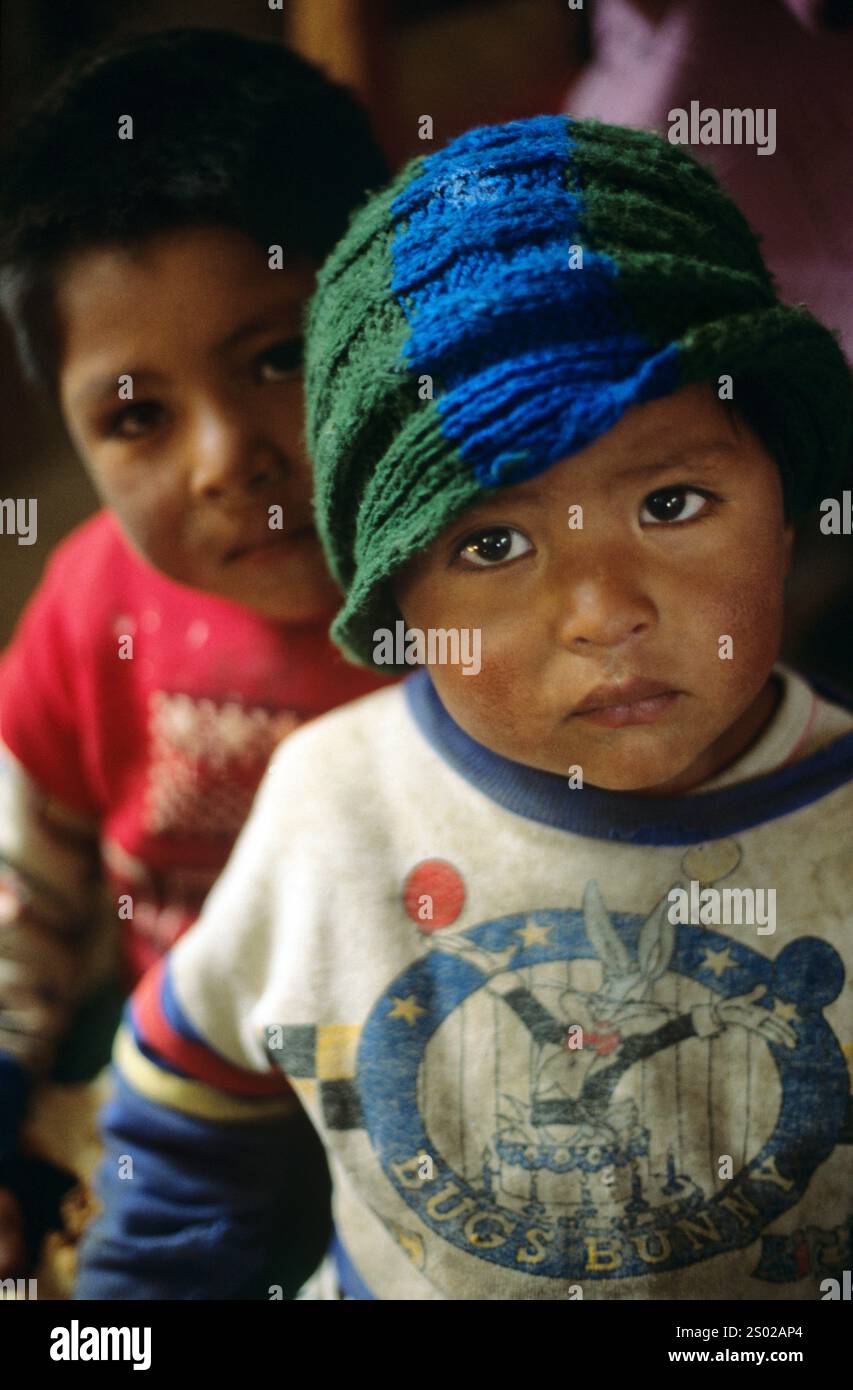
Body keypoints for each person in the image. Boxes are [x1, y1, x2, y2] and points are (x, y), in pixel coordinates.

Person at [75, 114, 853, 1300]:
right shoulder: (333, 805)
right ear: (396, 593)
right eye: (493, 541)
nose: (601, 611)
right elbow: (186, 1120)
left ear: (786, 502)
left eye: (674, 502)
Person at [0, 27, 391, 1276]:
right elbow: (21, 875)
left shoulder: (513, 600)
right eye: (136, 416)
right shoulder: (90, 603)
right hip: (167, 1115)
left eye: (279, 355)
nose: (226, 459)